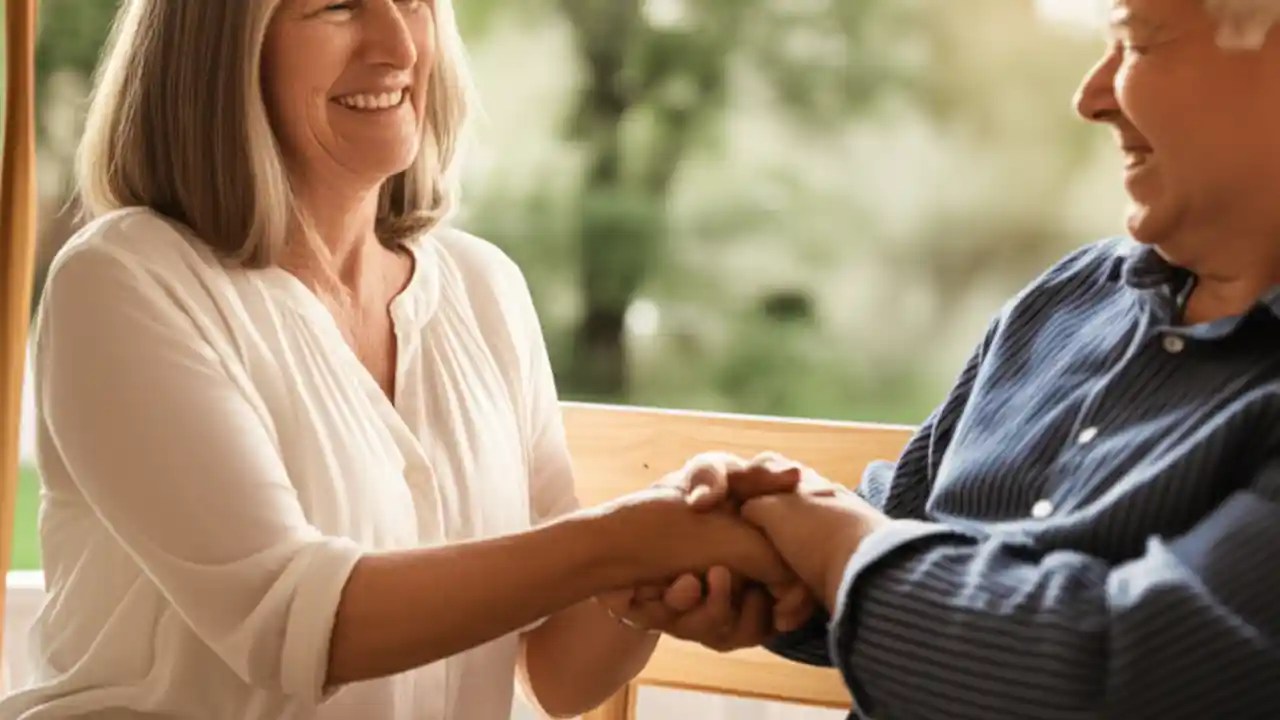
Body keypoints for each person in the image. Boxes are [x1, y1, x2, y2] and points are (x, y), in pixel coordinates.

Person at [0, 1, 814, 718]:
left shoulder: (484, 287)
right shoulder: (124, 281)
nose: (400, 43)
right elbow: (293, 625)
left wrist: (666, 568)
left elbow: (563, 675)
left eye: (416, 0)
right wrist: (629, 541)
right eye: (340, 6)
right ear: (220, 52)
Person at [611, 0, 1280, 717]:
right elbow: (908, 527)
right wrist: (777, 554)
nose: (1090, 99)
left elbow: (1121, 680)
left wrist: (840, 552)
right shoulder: (1067, 300)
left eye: (1139, 44)